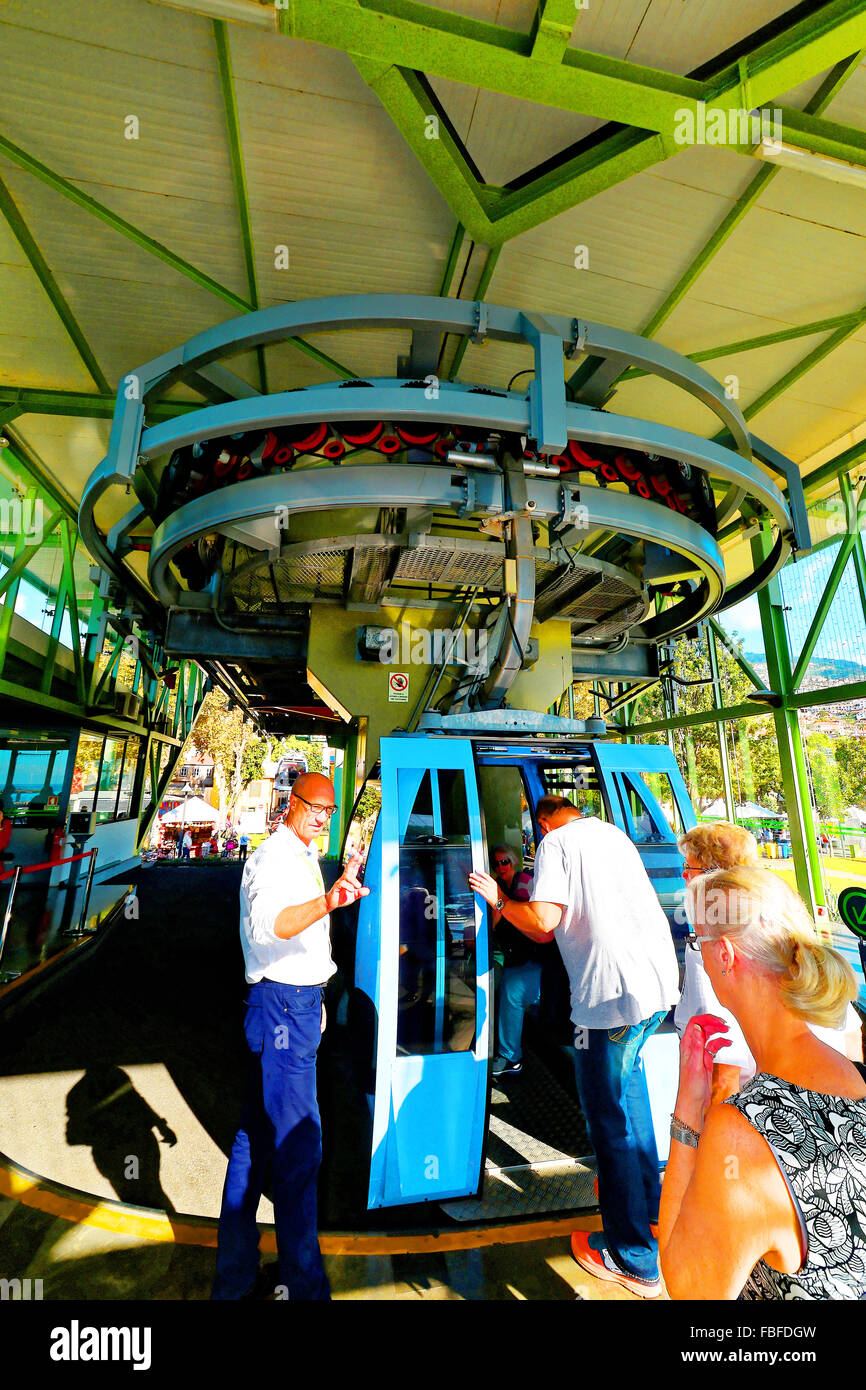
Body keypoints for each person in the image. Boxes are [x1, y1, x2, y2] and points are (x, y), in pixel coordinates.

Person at [469, 793, 679, 1299]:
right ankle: (650, 1214)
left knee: (608, 1127)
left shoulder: (556, 844)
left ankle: (633, 1259)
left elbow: (543, 924)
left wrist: (496, 898)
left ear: (542, 823)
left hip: (608, 1002)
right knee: (633, 1109)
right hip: (654, 991)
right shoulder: (613, 835)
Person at [660, 865, 866, 1299]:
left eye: (698, 942)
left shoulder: (744, 1133)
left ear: (725, 956)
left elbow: (689, 1288)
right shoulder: (855, 1076)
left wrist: (687, 1111)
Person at [212, 773, 368, 1301]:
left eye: (329, 808)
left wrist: (316, 994)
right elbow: (268, 928)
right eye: (314, 807)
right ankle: (305, 1288)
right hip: (283, 1007)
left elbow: (299, 941)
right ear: (290, 805)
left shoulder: (299, 852)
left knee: (254, 1141)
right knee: (300, 1149)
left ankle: (233, 1279)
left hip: (291, 1003)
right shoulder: (278, 857)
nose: (323, 816)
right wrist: (328, 902)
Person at [677, 822, 862, 1104]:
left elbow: (724, 1077)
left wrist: (695, 1127)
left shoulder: (715, 949)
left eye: (689, 867)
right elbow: (851, 1046)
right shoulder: (783, 920)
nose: (683, 874)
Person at [488, 843, 547, 1078]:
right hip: (512, 954)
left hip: (537, 958)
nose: (501, 867)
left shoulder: (526, 884)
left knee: (511, 990)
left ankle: (511, 1056)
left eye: (505, 862)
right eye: (497, 863)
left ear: (514, 862)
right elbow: (493, 927)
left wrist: (502, 906)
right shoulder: (497, 887)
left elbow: (538, 930)